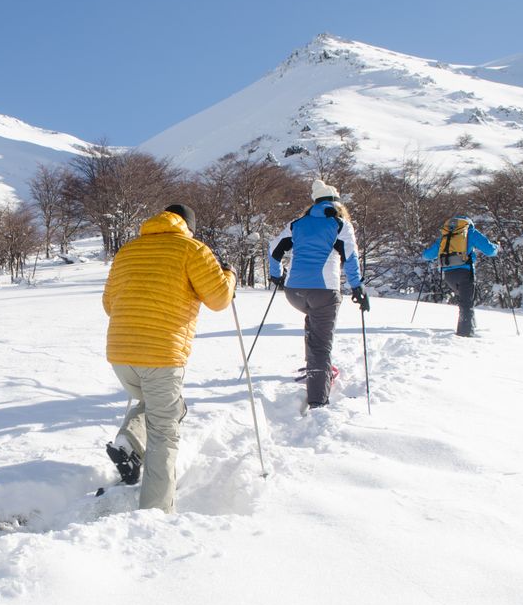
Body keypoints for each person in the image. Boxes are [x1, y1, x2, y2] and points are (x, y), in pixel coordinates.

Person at [101, 204, 235, 514]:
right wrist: (230, 274)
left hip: (120, 353)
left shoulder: (128, 250)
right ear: (188, 226)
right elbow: (218, 299)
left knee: (164, 405)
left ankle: (130, 442)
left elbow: (109, 304)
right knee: (164, 432)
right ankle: (155, 512)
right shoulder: (192, 249)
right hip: (161, 355)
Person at [268, 179, 367, 409]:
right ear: (337, 204)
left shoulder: (297, 224)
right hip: (324, 291)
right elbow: (350, 257)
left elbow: (274, 250)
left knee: (313, 323)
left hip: (294, 291)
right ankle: (318, 400)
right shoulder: (340, 224)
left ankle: (315, 369)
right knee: (322, 345)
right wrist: (357, 286)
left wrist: (276, 275)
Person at [421, 216, 499, 337]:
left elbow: (427, 255)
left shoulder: (446, 235)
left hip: (448, 275)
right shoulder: (470, 232)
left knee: (466, 301)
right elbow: (490, 251)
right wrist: (497, 247)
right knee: (466, 303)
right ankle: (465, 334)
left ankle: (470, 326)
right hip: (465, 272)